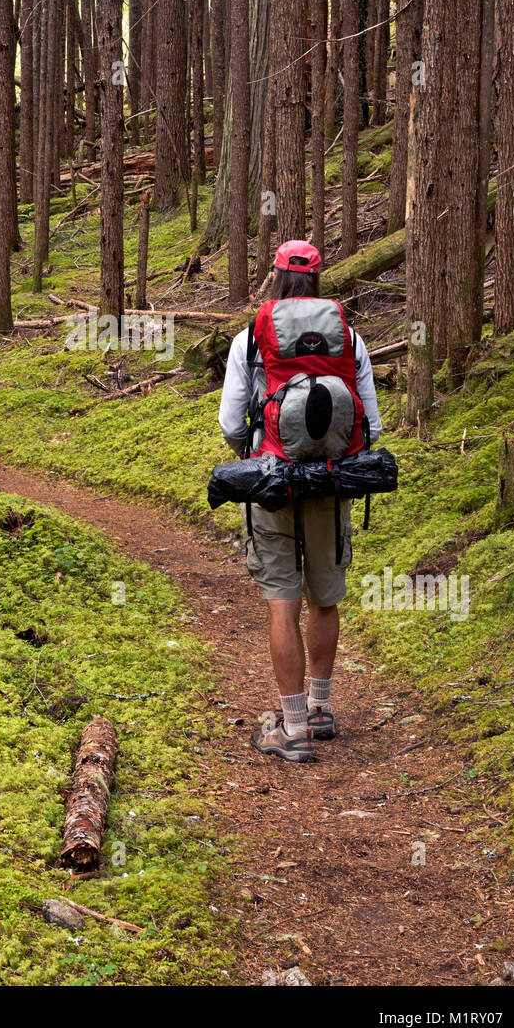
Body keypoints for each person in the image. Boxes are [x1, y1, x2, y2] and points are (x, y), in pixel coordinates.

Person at [218, 239, 382, 763]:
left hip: (272, 481)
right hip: (332, 482)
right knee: (325, 597)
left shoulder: (251, 338)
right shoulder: (349, 337)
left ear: (274, 276)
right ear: (317, 277)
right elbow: (371, 424)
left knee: (282, 602)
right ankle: (321, 709)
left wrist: (261, 450)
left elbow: (229, 423)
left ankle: (291, 729)